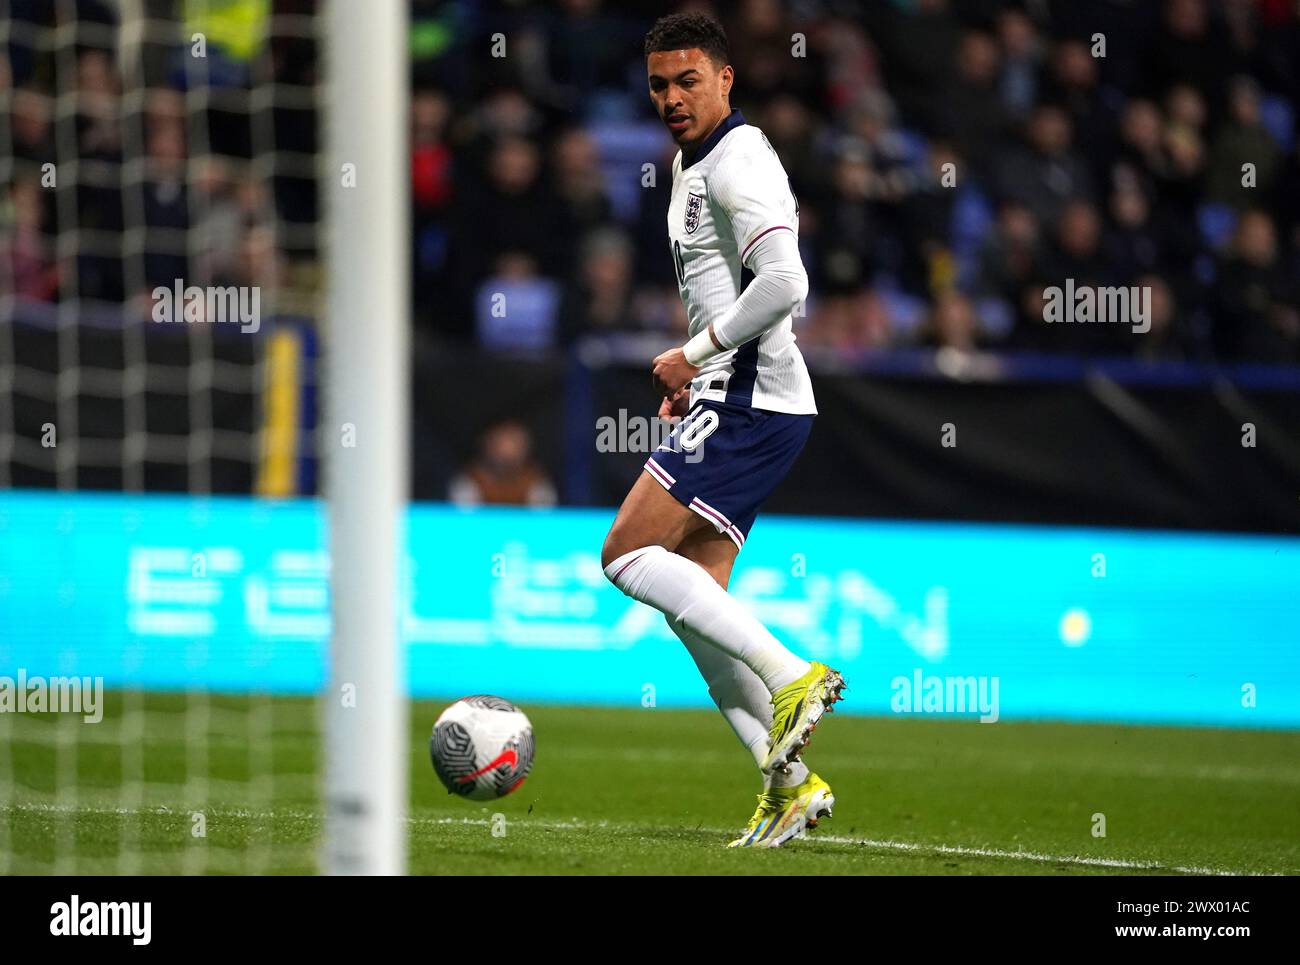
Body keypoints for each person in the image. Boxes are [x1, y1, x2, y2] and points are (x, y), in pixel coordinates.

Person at [601, 12, 845, 849]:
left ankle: (790, 675)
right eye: (660, 85)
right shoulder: (689, 162)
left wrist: (695, 354)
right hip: (739, 392)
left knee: (626, 554)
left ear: (726, 78)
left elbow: (786, 281)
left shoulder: (741, 162)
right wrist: (699, 371)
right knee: (693, 603)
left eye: (688, 81)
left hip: (751, 398)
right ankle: (787, 785)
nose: (672, 97)